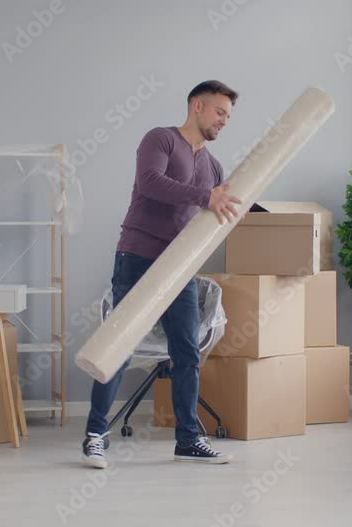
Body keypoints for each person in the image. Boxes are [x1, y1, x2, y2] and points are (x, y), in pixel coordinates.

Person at [82, 80, 243, 468]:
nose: (224, 121)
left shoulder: (213, 166)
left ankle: (188, 439)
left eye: (228, 116)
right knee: (120, 345)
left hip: (179, 267)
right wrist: (205, 197)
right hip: (138, 256)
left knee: (186, 352)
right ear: (197, 106)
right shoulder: (161, 139)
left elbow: (211, 214)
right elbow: (151, 183)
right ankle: (94, 436)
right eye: (219, 112)